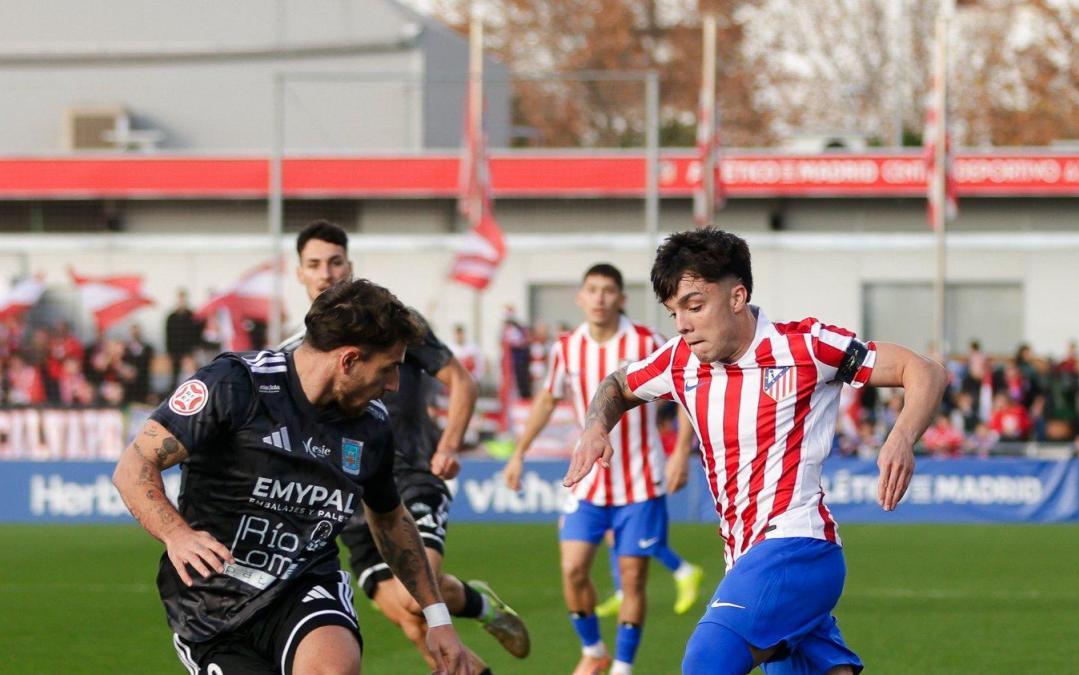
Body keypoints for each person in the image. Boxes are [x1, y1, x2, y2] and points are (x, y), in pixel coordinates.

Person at [563, 228, 947, 674]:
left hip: (798, 545)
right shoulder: (678, 360)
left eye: (694, 305)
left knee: (706, 661)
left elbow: (924, 371)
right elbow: (618, 384)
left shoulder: (805, 346)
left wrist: (900, 437)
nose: (683, 324)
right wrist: (595, 427)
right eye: (673, 313)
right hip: (745, 559)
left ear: (737, 296)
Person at [112, 279, 473, 675]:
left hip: (304, 585)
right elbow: (134, 465)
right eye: (388, 370)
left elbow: (389, 518)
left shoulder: (370, 428)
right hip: (211, 609)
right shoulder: (236, 385)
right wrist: (177, 535)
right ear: (349, 360)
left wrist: (438, 619)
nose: (393, 386)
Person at [281, 220, 529, 673]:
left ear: (349, 266)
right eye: (314, 264)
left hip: (413, 474)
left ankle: (475, 604)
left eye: (335, 262)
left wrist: (449, 445)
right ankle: (478, 612)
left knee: (423, 593)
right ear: (299, 273)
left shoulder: (392, 323)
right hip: (349, 499)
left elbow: (462, 382)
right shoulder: (296, 351)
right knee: (414, 622)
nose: (325, 273)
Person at [504, 263, 702, 675]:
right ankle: (594, 650)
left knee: (631, 580)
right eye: (591, 290)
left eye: (608, 290)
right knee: (573, 569)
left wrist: (683, 450)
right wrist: (519, 451)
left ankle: (622, 667)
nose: (599, 298)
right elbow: (546, 399)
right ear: (580, 297)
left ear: (621, 298)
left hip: (640, 483)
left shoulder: (647, 341)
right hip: (587, 485)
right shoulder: (567, 347)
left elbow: (687, 390)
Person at [165, 289, 201, 385]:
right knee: (175, 377)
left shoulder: (191, 316)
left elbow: (195, 334)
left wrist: (193, 351)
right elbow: (168, 336)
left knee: (191, 376)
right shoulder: (171, 317)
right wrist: (170, 353)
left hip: (189, 352)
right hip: (176, 352)